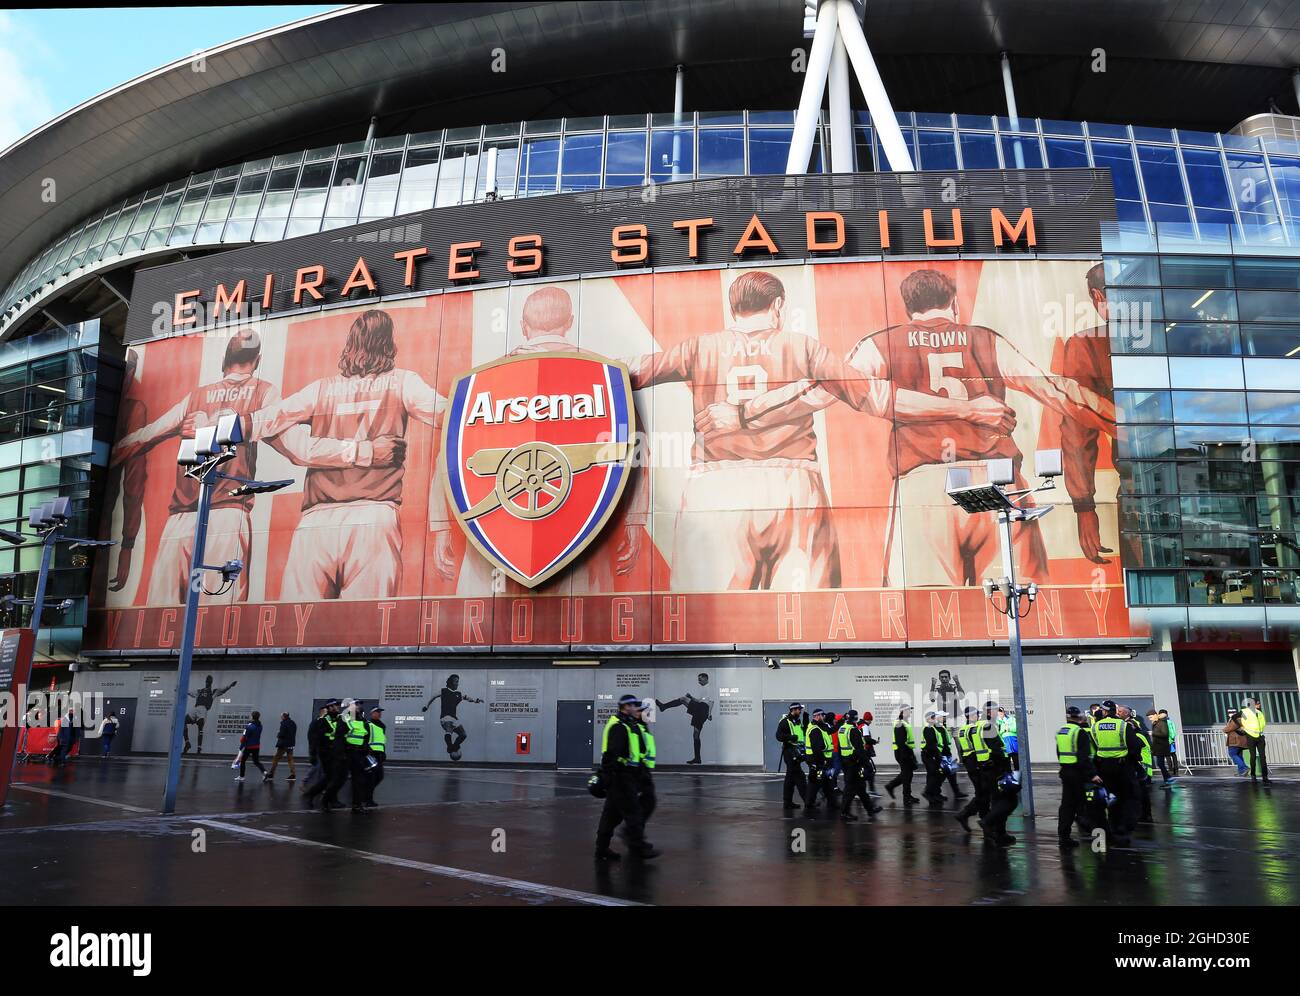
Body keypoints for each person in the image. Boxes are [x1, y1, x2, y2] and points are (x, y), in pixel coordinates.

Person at [594, 695, 659, 861]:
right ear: (627, 707)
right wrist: (608, 776)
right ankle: (637, 846)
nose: (643, 713)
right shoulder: (620, 726)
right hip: (620, 777)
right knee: (632, 812)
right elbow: (611, 754)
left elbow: (637, 752)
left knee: (612, 815)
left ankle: (602, 849)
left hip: (627, 776)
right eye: (638, 709)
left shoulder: (632, 725)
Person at [1089, 700, 1142, 846]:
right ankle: (1122, 830)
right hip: (1122, 767)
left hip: (1104, 768)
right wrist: (1136, 762)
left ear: (1104, 711)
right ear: (1115, 711)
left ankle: (1111, 829)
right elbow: (1134, 746)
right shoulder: (1123, 725)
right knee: (1126, 798)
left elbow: (1095, 746)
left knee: (1110, 799)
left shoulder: (1095, 727)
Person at [1056, 706, 1104, 848]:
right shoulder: (1079, 732)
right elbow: (1083, 757)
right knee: (1082, 805)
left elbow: (1059, 753)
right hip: (1078, 773)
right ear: (1079, 717)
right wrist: (1093, 774)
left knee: (1066, 806)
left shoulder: (1061, 732)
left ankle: (1064, 837)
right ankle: (1096, 835)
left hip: (1065, 771)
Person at [976, 701, 1019, 847]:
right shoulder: (988, 726)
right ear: (989, 711)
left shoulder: (982, 725)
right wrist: (1005, 766)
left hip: (987, 767)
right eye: (995, 710)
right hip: (996, 768)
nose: (997, 713)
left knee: (997, 800)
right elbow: (996, 749)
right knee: (1006, 800)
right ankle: (994, 828)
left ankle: (996, 831)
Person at [654, 673, 714, 765]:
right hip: (700, 709)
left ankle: (663, 706)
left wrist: (709, 714)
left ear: (706, 679)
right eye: (698, 680)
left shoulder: (710, 687)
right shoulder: (704, 689)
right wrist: (691, 697)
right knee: (696, 734)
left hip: (702, 709)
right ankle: (697, 758)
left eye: (700, 680)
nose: (699, 681)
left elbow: (711, 702)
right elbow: (699, 700)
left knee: (682, 699)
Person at [421, 674, 483, 761]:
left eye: (458, 682)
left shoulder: (458, 694)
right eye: (456, 682)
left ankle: (454, 747)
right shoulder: (444, 691)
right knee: (449, 728)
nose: (457, 684)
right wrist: (426, 706)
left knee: (463, 735)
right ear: (451, 682)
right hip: (445, 717)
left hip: (454, 718)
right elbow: (433, 697)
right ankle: (450, 746)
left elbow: (466, 698)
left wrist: (476, 701)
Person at [837, 709, 881, 822]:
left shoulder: (842, 728)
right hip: (854, 762)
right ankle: (844, 812)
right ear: (855, 719)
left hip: (846, 761)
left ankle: (870, 809)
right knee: (850, 789)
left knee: (861, 788)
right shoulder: (853, 730)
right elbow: (859, 750)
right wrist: (867, 764)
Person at [954, 706, 990, 833]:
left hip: (970, 764)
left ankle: (983, 817)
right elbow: (976, 747)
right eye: (975, 714)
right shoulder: (973, 729)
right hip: (976, 763)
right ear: (969, 716)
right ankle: (966, 815)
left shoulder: (962, 730)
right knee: (983, 793)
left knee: (982, 792)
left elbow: (961, 750)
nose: (978, 716)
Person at [304, 700, 346, 810]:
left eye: (337, 705)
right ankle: (315, 795)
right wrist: (313, 754)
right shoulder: (321, 721)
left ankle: (329, 799)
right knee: (331, 778)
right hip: (326, 753)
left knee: (333, 778)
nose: (336, 707)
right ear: (328, 708)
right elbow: (314, 739)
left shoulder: (340, 719)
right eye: (333, 706)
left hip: (337, 753)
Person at [774, 702, 808, 813]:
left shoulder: (797, 721)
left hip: (796, 751)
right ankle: (808, 801)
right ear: (793, 710)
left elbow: (803, 733)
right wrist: (790, 737)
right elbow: (778, 736)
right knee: (800, 777)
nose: (800, 711)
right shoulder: (785, 722)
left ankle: (787, 802)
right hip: (789, 752)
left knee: (790, 779)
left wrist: (806, 720)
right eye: (799, 710)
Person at [341, 699, 372, 813]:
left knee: (358, 780)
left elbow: (366, 737)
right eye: (357, 704)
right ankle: (327, 800)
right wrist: (342, 752)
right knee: (338, 779)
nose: (359, 706)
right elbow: (340, 736)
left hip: (358, 754)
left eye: (360, 704)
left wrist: (365, 749)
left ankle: (357, 805)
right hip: (347, 753)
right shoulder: (346, 718)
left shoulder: (363, 721)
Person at [884, 705, 920, 804]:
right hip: (902, 752)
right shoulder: (900, 723)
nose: (910, 712)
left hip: (906, 751)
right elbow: (900, 742)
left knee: (907, 774)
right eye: (909, 710)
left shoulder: (904, 722)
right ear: (903, 711)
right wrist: (905, 755)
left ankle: (891, 786)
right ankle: (906, 797)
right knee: (907, 775)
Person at [1125, 708, 1155, 824]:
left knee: (1141, 793)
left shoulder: (1137, 736)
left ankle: (1144, 815)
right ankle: (1144, 814)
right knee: (1141, 793)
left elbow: (1137, 752)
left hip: (1143, 766)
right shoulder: (1138, 735)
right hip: (1142, 766)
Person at [803, 708, 836, 812]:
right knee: (815, 782)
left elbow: (829, 731)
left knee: (826, 781)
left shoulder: (819, 727)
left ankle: (832, 802)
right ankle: (809, 804)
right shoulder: (815, 729)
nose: (824, 717)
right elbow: (817, 748)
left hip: (819, 759)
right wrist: (823, 761)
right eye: (822, 715)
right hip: (816, 759)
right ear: (817, 716)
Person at [633, 700, 657, 838]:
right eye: (643, 711)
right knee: (645, 803)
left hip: (643, 772)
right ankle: (635, 836)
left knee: (645, 803)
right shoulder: (634, 727)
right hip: (636, 772)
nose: (646, 713)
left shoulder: (642, 726)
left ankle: (635, 834)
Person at [920, 710, 949, 805]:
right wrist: (937, 755)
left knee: (934, 775)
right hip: (929, 755)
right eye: (933, 717)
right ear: (928, 719)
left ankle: (934, 794)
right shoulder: (928, 728)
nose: (934, 718)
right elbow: (931, 744)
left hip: (932, 754)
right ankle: (928, 793)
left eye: (934, 717)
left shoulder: (932, 728)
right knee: (934, 774)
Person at [1239, 699, 1270, 784]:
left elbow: (1262, 723)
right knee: (1253, 757)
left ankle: (1265, 777)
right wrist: (1241, 726)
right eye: (1257, 704)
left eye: (1259, 703)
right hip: (1250, 737)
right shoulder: (1245, 712)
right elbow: (1235, 717)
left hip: (1260, 737)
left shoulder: (1259, 713)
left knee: (1263, 757)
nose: (1259, 705)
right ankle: (1253, 776)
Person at [938, 713, 967, 800]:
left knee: (952, 772)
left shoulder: (942, 727)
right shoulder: (937, 728)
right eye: (943, 716)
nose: (944, 718)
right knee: (943, 774)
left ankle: (956, 792)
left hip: (946, 754)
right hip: (942, 755)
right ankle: (931, 791)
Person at [1147, 709, 1178, 785]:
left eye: (1151, 717)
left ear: (1155, 715)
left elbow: (1165, 734)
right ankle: (1167, 779)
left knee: (1160, 764)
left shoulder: (1162, 723)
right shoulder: (1156, 723)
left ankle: (1168, 779)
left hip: (1162, 747)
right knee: (1160, 764)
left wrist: (1153, 733)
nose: (1150, 719)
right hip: (1159, 747)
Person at [364, 705, 386, 808]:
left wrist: (383, 752)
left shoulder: (382, 726)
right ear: (372, 713)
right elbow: (365, 739)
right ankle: (368, 799)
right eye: (377, 711)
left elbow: (382, 741)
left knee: (379, 776)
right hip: (371, 754)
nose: (379, 713)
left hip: (379, 754)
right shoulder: (368, 724)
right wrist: (368, 751)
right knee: (372, 777)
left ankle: (366, 795)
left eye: (380, 712)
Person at [265, 712, 297, 782]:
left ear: (283, 717)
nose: (280, 717)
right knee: (290, 759)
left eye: (281, 716)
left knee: (276, 759)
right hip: (291, 744)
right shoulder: (293, 723)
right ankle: (293, 774)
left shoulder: (283, 723)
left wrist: (278, 734)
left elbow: (282, 734)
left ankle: (271, 773)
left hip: (283, 744)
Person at [236, 711, 266, 782]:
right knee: (256, 761)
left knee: (243, 761)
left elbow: (244, 738)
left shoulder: (249, 726)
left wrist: (241, 743)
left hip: (248, 746)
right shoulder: (260, 726)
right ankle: (264, 772)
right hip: (256, 746)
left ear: (252, 717)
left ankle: (242, 776)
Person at [1224, 710, 1250, 776]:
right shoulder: (1241, 719)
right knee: (1239, 755)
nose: (1230, 714)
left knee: (1232, 754)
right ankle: (1241, 771)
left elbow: (1228, 729)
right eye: (1229, 712)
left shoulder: (1235, 719)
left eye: (1232, 712)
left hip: (1235, 741)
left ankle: (1244, 768)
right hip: (1240, 741)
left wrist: (1224, 729)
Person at [997, 707, 1020, 771]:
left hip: (1013, 742)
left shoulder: (1012, 719)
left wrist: (1007, 729)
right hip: (1004, 743)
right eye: (999, 712)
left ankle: (1018, 776)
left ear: (1004, 712)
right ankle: (1008, 777)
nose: (1000, 713)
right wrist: (1004, 729)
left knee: (1016, 761)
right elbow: (997, 732)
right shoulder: (997, 721)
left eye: (1001, 711)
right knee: (1006, 763)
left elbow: (1016, 728)